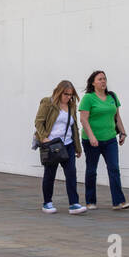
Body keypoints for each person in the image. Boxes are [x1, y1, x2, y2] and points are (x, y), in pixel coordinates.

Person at [79, 70, 129, 210]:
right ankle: (90, 201)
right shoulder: (88, 98)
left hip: (110, 139)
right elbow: (83, 119)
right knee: (91, 170)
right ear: (93, 83)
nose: (103, 81)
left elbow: (117, 116)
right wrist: (91, 136)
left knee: (114, 168)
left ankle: (119, 202)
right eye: (100, 79)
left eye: (104, 79)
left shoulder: (112, 96)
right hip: (91, 140)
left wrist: (123, 133)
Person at [33, 80, 86, 215]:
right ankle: (47, 203)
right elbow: (38, 122)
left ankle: (74, 204)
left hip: (68, 145)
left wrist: (78, 147)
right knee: (50, 174)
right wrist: (44, 137)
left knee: (71, 174)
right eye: (66, 94)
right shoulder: (47, 103)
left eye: (71, 95)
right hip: (52, 145)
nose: (68, 97)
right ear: (59, 92)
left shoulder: (72, 106)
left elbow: (74, 127)